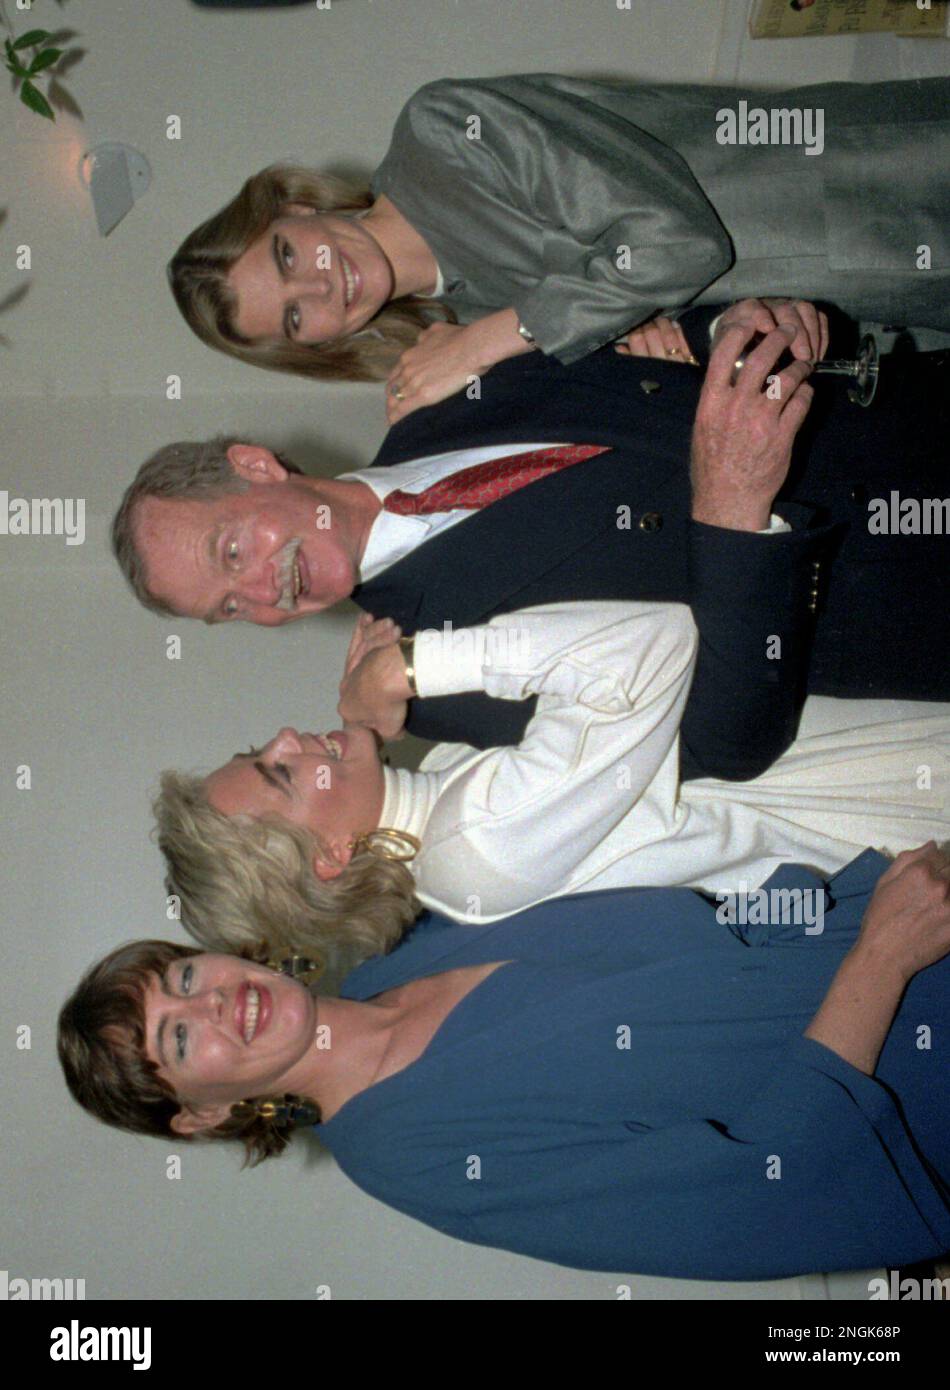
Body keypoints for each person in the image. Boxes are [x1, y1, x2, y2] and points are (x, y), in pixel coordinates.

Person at [58, 844, 950, 1281]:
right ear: (206, 1113)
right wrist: (881, 961)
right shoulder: (419, 1161)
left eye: (182, 975)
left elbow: (714, 930)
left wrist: (871, 900)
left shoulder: (404, 950)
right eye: (179, 1039)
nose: (211, 1002)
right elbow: (753, 1201)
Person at [112, 305, 950, 765]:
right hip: (913, 605)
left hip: (914, 414)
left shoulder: (451, 388)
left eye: (233, 553)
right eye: (229, 607)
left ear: (256, 467)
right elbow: (725, 741)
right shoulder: (428, 677)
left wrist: (747, 326)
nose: (263, 592)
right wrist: (732, 514)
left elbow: (669, 347)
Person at [154, 595, 950, 957]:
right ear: (330, 858)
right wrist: (415, 666)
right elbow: (651, 645)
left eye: (262, 746)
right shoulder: (475, 848)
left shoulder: (441, 796)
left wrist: (385, 726)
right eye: (279, 773)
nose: (291, 736)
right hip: (887, 794)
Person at [168, 73, 950, 417]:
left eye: (286, 258)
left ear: (298, 206)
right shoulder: (476, 319)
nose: (320, 287)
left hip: (889, 184)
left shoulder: (439, 136)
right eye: (296, 319)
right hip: (892, 317)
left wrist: (488, 340)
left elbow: (676, 241)